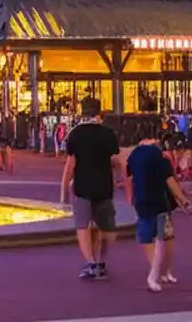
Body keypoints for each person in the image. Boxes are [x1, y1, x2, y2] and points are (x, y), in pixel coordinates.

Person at [60, 97, 123, 280]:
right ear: (99, 113)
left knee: (82, 225)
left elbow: (71, 164)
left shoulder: (76, 134)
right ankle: (100, 260)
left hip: (83, 185)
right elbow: (116, 161)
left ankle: (91, 263)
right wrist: (119, 180)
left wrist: (63, 187)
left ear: (82, 112)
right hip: (104, 185)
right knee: (101, 226)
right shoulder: (108, 133)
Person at [125, 136, 192, 292]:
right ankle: (162, 271)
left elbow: (129, 178)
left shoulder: (133, 156)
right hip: (161, 203)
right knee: (165, 236)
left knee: (147, 238)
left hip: (142, 201)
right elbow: (170, 180)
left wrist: (131, 199)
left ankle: (156, 269)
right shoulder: (161, 157)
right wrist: (183, 199)